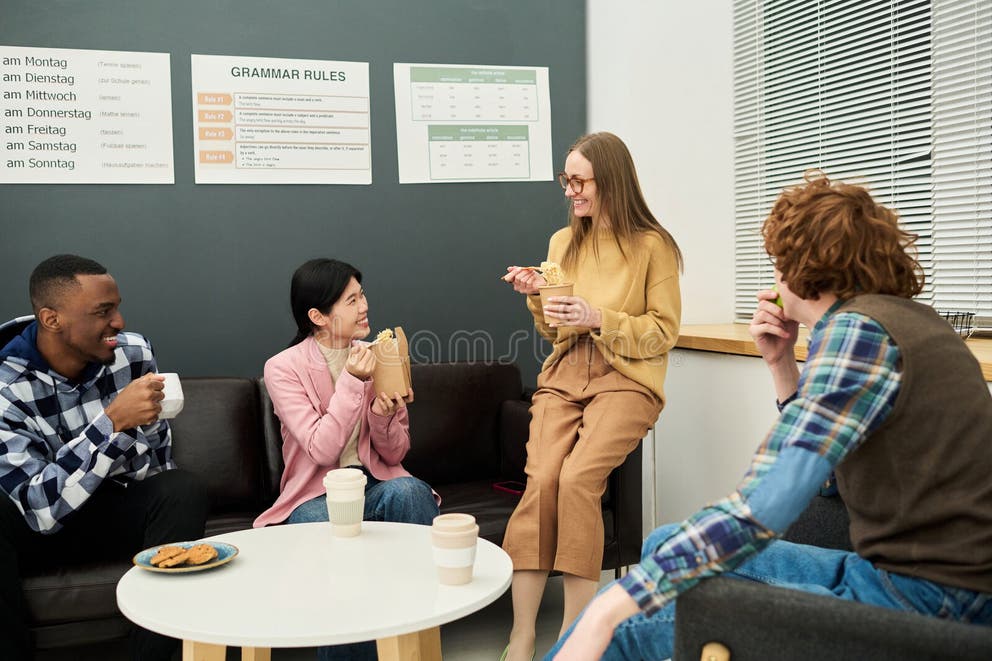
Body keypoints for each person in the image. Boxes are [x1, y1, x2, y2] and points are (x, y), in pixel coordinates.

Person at [548, 171, 992, 660]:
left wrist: (610, 608)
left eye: (778, 263)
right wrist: (781, 364)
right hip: (901, 575)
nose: (775, 277)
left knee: (622, 626)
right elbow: (830, 484)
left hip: (931, 598)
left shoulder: (857, 334)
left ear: (801, 268)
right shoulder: (907, 321)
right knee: (665, 542)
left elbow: (764, 503)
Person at [500, 132, 683, 661]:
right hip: (565, 372)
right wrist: (537, 297)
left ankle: (573, 641)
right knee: (542, 480)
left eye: (579, 181)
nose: (570, 191)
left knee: (578, 480)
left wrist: (599, 316)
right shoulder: (563, 242)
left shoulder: (653, 246)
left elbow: (663, 332)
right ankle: (521, 637)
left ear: (612, 181)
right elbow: (554, 331)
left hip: (627, 378)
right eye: (567, 180)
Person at [0, 254, 208, 661]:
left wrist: (123, 434)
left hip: (110, 509)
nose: (119, 322)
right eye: (103, 312)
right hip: (38, 529)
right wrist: (111, 424)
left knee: (181, 488)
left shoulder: (133, 354)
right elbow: (39, 510)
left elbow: (155, 462)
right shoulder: (6, 388)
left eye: (117, 308)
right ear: (52, 319)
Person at [255, 258, 439, 661]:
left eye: (363, 295)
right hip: (315, 496)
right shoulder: (282, 369)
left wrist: (384, 416)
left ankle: (418, 634)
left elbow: (396, 453)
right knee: (324, 528)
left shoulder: (381, 354)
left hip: (374, 483)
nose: (365, 306)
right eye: (351, 300)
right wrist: (354, 382)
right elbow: (321, 449)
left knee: (411, 491)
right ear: (318, 316)